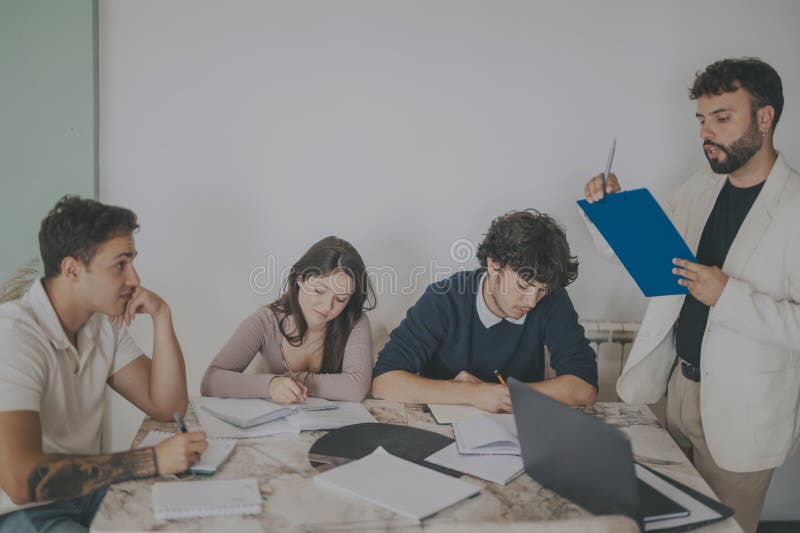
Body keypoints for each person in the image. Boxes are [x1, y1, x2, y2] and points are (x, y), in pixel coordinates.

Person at [582, 57, 799, 533]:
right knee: (659, 523)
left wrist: (728, 295)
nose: (707, 132)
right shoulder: (700, 188)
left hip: (744, 416)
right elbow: (653, 261)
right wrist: (612, 212)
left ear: (765, 119)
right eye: (702, 119)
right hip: (675, 392)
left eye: (722, 117)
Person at [0, 196, 207, 532]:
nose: (134, 279)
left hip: (84, 492)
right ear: (72, 270)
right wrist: (150, 460)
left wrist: (161, 316)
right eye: (120, 265)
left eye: (133, 262)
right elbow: (21, 481)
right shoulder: (13, 334)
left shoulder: (100, 326)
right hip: (22, 509)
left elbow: (169, 408)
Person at [372, 210, 597, 411]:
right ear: (493, 265)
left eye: (543, 290)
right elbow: (384, 382)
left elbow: (584, 387)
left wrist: (505, 395)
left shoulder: (552, 300)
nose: (532, 302)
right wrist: (472, 394)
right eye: (524, 285)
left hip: (517, 434)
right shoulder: (444, 299)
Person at [201, 236, 376, 403]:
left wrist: (294, 380)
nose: (327, 306)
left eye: (340, 299)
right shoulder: (266, 322)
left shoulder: (355, 321)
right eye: (319, 291)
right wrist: (269, 385)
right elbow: (211, 381)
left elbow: (356, 388)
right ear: (300, 278)